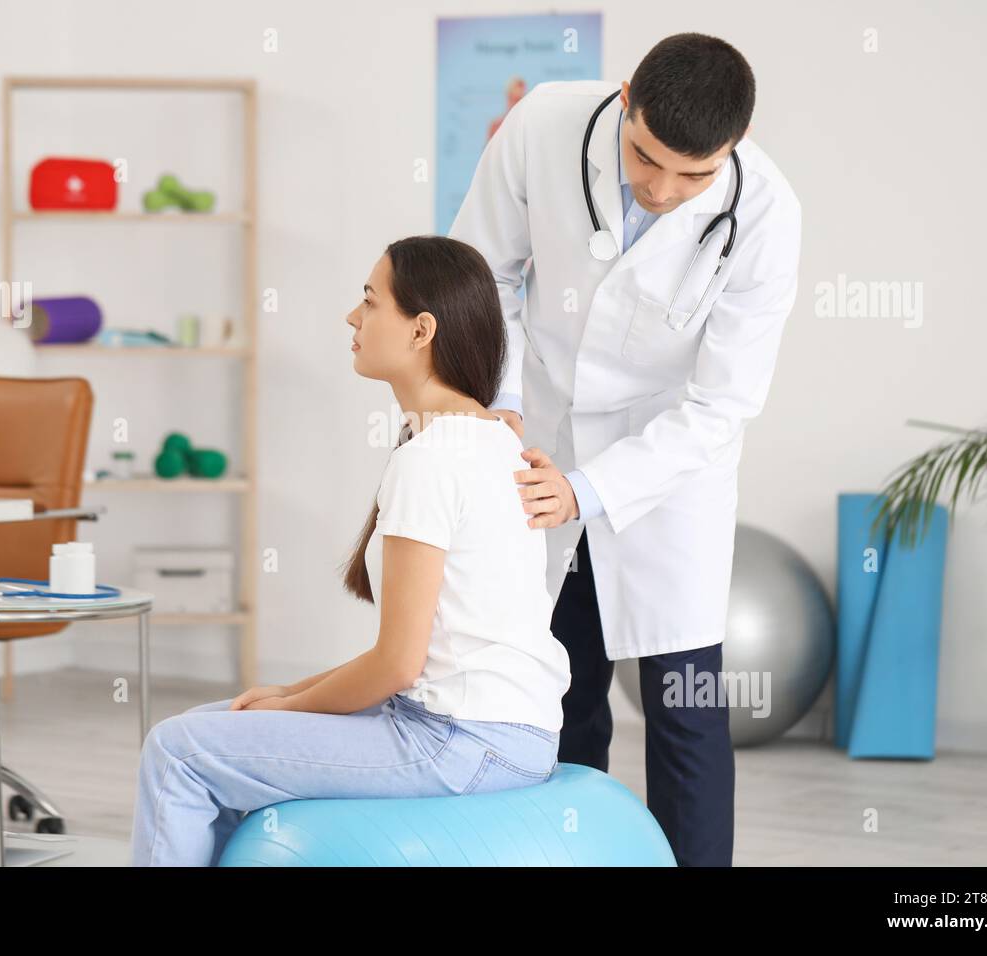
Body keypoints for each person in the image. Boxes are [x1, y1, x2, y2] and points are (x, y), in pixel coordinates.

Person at [449, 32, 803, 866]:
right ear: (626, 94)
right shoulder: (543, 125)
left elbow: (723, 403)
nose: (663, 189)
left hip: (669, 467)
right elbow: (481, 272)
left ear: (735, 146)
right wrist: (497, 405)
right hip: (540, 432)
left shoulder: (767, 214)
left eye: (695, 174)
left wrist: (593, 489)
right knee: (560, 689)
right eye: (646, 158)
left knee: (685, 710)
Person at [130, 235, 572, 866]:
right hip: (509, 732)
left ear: (421, 329)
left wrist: (291, 704)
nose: (352, 317)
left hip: (460, 741)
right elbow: (415, 658)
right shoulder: (493, 438)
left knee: (178, 752)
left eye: (369, 302)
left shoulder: (432, 458)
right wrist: (290, 693)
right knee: (217, 721)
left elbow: (397, 666)